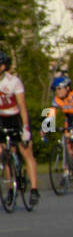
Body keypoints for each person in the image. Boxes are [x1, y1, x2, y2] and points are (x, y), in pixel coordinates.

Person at [0, 49, 40, 205]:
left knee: (26, 151)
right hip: (2, 118)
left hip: (16, 117)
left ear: (3, 66)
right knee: (4, 153)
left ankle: (35, 189)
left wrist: (26, 130)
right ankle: (11, 188)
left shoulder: (13, 81)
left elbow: (22, 106)